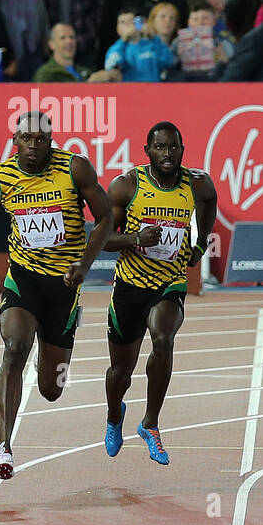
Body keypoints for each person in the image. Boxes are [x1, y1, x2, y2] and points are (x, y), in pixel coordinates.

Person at [0, 111, 114, 480]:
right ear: (15, 140)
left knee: (51, 390)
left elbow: (106, 216)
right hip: (24, 277)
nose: (34, 146)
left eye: (42, 140)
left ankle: (50, 356)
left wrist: (84, 263)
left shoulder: (75, 169)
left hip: (64, 286)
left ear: (52, 141)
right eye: (26, 139)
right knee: (14, 347)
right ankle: (4, 447)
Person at [102, 122, 218, 466]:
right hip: (129, 286)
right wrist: (136, 239)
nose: (168, 155)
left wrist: (200, 244)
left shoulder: (197, 183)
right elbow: (102, 239)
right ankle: (113, 415)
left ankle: (150, 423)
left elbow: (208, 204)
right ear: (147, 150)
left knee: (163, 338)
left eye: (174, 148)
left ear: (183, 150)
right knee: (120, 374)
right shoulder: (126, 186)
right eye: (160, 148)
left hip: (169, 283)